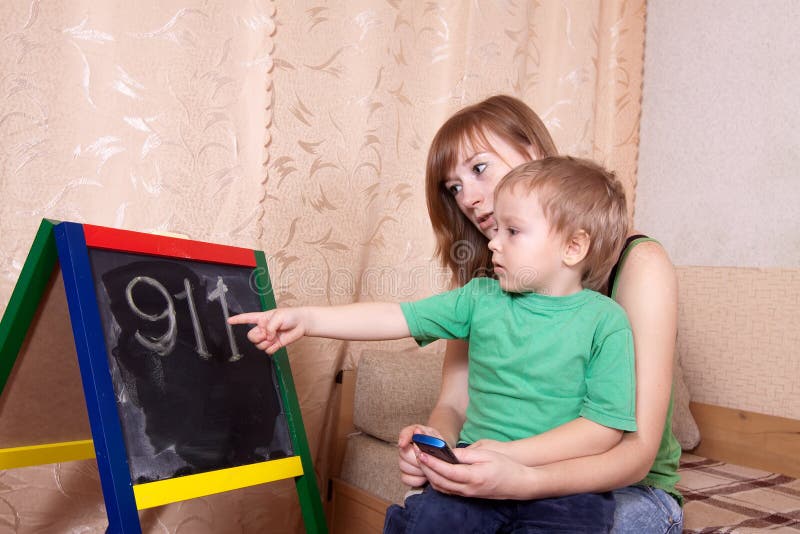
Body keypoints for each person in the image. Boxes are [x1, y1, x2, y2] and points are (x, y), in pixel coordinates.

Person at [230, 157, 635, 533]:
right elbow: (397, 315)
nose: (493, 243)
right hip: (471, 470)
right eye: (496, 231)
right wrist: (309, 318)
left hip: (561, 489)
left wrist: (513, 459)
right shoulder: (479, 298)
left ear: (573, 247)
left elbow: (601, 430)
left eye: (512, 232)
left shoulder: (606, 322)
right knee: (426, 519)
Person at [404, 95, 682, 534]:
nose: (469, 199)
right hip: (513, 467)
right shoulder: (492, 280)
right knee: (426, 511)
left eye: (479, 169)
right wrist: (440, 455)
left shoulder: (639, 264)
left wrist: (521, 480)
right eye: (453, 188)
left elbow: (636, 452)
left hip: (626, 483)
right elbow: (454, 404)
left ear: (534, 154)